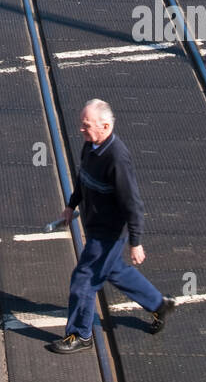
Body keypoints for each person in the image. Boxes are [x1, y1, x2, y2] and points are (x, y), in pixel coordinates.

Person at [46, 98, 176, 353]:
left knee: (83, 279)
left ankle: (80, 334)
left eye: (86, 125)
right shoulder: (90, 146)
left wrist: (135, 242)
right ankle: (158, 304)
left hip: (109, 233)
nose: (81, 130)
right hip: (96, 225)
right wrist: (72, 206)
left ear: (105, 126)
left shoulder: (118, 159)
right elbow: (83, 178)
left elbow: (133, 204)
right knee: (114, 270)